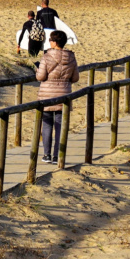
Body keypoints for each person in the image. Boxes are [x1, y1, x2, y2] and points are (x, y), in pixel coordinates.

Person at [36, 30, 77, 162]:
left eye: (50, 40)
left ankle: (47, 154)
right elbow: (75, 78)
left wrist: (37, 70)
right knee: (60, 126)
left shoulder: (46, 57)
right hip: (64, 95)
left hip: (47, 96)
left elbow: (41, 77)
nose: (49, 42)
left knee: (47, 124)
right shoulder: (71, 57)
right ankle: (57, 156)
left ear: (54, 42)